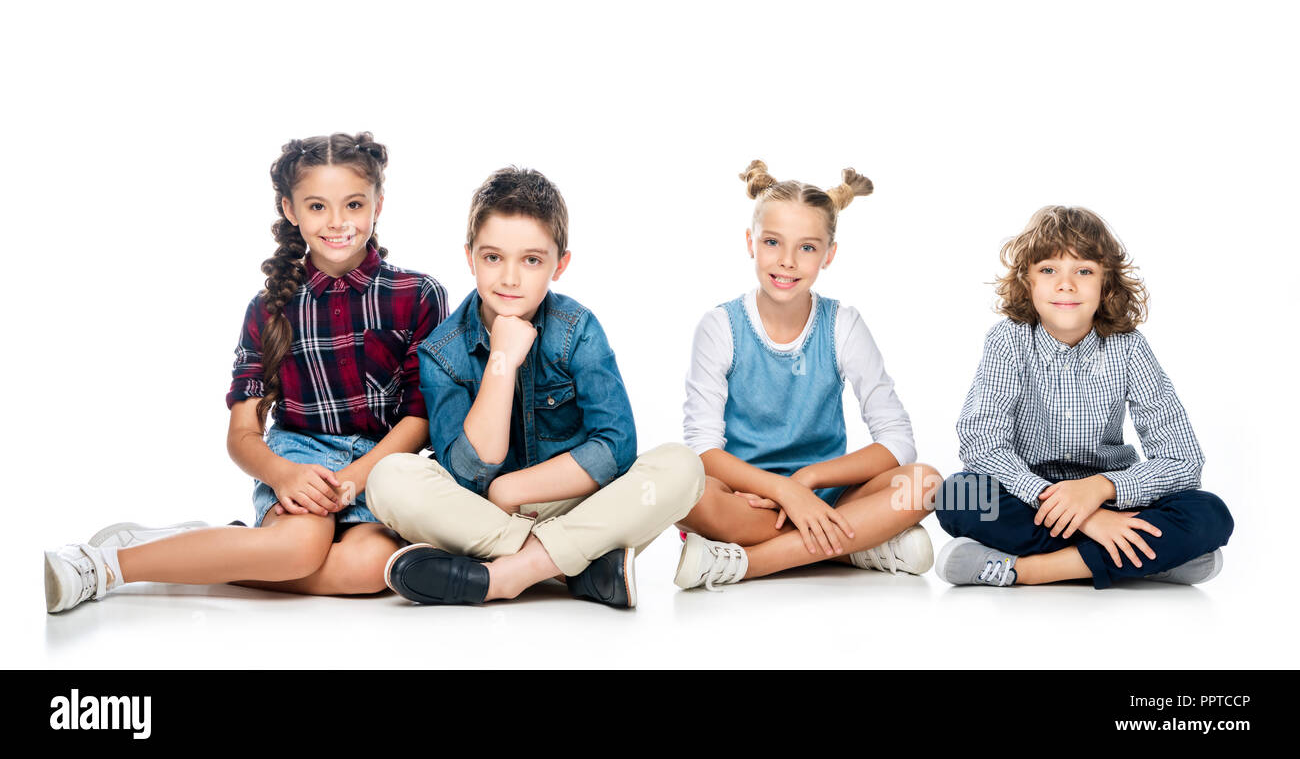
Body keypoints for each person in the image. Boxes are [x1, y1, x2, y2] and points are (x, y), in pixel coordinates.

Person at [44, 132, 447, 612]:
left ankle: (205, 550)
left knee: (369, 570)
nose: (338, 222)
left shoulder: (419, 294)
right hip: (300, 458)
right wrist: (283, 474)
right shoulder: (269, 308)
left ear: (378, 205)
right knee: (299, 548)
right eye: (317, 207)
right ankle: (108, 565)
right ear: (290, 210)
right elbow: (242, 434)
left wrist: (355, 480)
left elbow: (421, 417)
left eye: (354, 204)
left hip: (384, 470)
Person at [366, 166, 705, 609]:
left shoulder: (576, 329)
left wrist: (514, 489)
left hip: (579, 506)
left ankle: (505, 575)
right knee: (388, 478)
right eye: (493, 258)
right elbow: (469, 474)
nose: (510, 278)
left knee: (681, 467)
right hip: (482, 516)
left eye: (531, 260)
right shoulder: (442, 352)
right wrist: (502, 361)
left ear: (559, 264)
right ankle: (574, 565)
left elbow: (616, 446)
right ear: (470, 257)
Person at [672, 160, 941, 591]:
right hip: (748, 500)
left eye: (808, 248)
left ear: (829, 254)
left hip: (828, 496)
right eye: (773, 242)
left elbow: (897, 441)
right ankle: (857, 546)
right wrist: (782, 491)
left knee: (926, 484)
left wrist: (807, 481)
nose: (787, 261)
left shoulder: (843, 325)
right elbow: (703, 449)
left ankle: (749, 563)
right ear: (750, 243)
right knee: (684, 491)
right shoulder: (720, 326)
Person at [933, 205, 1233, 588]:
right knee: (958, 495)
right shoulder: (1008, 341)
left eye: (1084, 271)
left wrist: (1099, 491)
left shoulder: (1129, 348)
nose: (1066, 284)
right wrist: (1083, 516)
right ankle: (1150, 561)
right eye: (1048, 270)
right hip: (1031, 501)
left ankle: (1030, 570)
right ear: (1028, 282)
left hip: (1114, 498)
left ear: (1106, 284)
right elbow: (982, 443)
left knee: (1210, 513)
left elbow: (1183, 459)